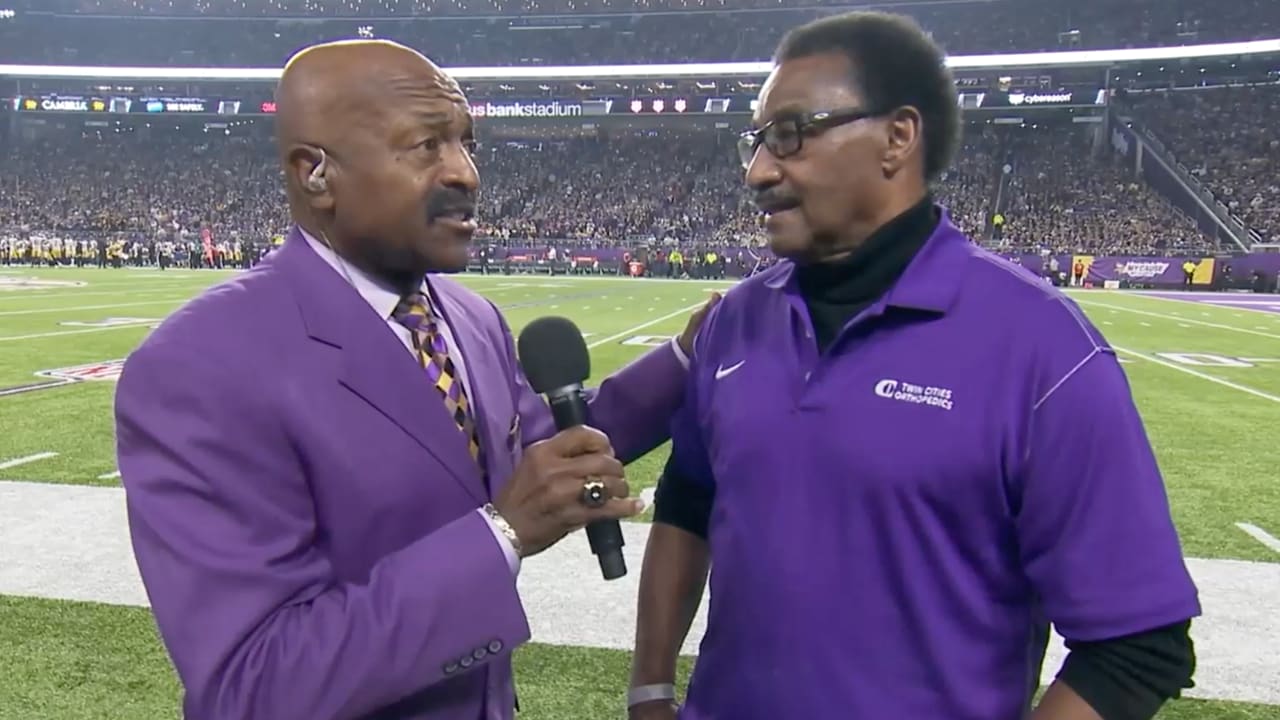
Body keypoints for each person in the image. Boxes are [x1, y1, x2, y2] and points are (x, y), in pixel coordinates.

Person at [114, 39, 712, 720]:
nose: (465, 172)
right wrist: (503, 534)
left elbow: (536, 457)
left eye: (466, 141)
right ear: (316, 174)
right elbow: (253, 686)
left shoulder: (467, 316)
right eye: (426, 145)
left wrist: (686, 359)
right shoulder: (201, 364)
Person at [628, 12, 1199, 720]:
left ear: (898, 137)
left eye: (791, 135)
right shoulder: (733, 323)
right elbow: (688, 502)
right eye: (757, 141)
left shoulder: (1042, 348)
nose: (758, 170)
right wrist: (650, 691)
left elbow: (1139, 641)